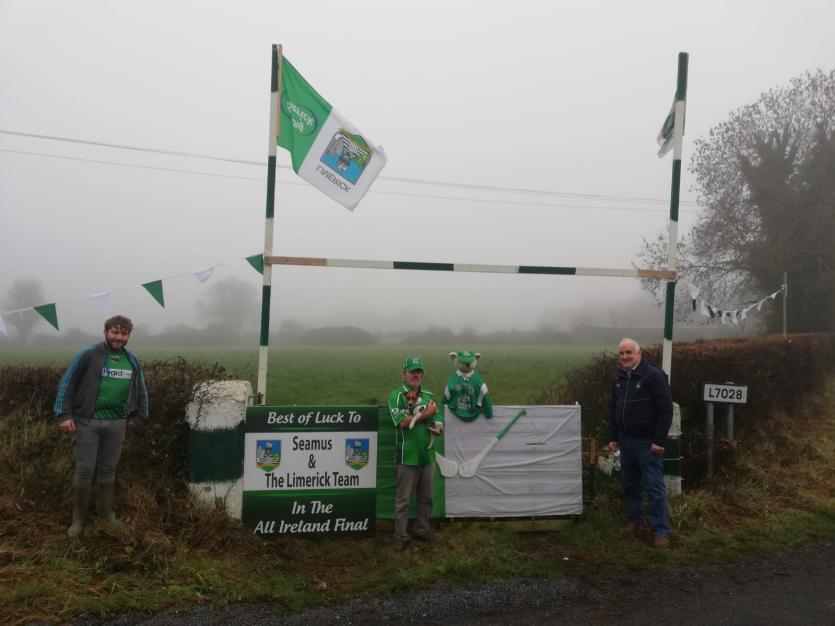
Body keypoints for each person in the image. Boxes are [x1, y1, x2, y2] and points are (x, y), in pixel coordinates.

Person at [54, 315, 149, 537]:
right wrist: (63, 415)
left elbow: (141, 389)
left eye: (123, 333)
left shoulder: (132, 360)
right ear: (106, 332)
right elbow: (67, 383)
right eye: (115, 332)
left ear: (128, 336)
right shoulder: (88, 354)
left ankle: (106, 514)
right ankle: (78, 520)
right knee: (85, 469)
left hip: (117, 423)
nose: (119, 337)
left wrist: (141, 415)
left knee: (108, 469)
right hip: (87, 422)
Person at [608, 338, 673, 548]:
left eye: (629, 353)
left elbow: (665, 409)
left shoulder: (653, 375)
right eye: (621, 354)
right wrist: (613, 438)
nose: (625, 357)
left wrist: (659, 440)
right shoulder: (619, 377)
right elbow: (613, 409)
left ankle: (661, 531)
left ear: (639, 353)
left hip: (648, 443)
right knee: (630, 485)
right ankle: (635, 521)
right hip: (626, 442)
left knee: (654, 487)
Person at [388, 355, 440, 550]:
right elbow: (402, 423)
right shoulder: (396, 395)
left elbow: (437, 417)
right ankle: (400, 535)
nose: (415, 375)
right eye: (412, 371)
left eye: (419, 372)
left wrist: (437, 426)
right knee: (403, 500)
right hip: (406, 456)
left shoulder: (428, 394)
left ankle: (422, 529)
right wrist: (427, 414)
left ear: (422, 375)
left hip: (427, 454)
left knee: (426, 498)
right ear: (404, 373)